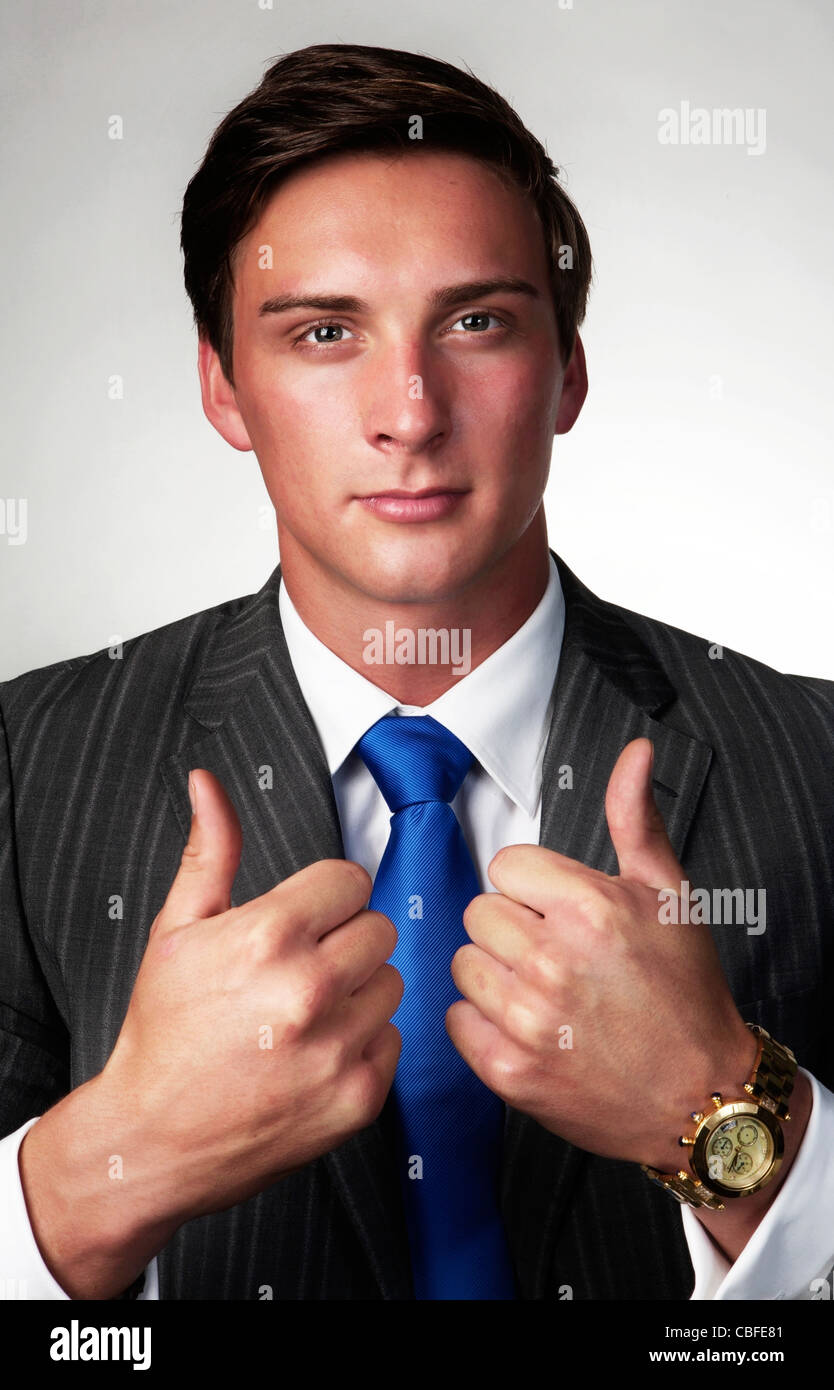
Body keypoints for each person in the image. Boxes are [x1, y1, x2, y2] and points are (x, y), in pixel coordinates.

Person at [1, 42, 832, 1302]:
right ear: (224, 385)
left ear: (570, 372)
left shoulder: (818, 759)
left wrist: (725, 1121)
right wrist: (123, 1156)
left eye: (478, 321)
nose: (410, 410)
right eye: (325, 330)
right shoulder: (24, 768)